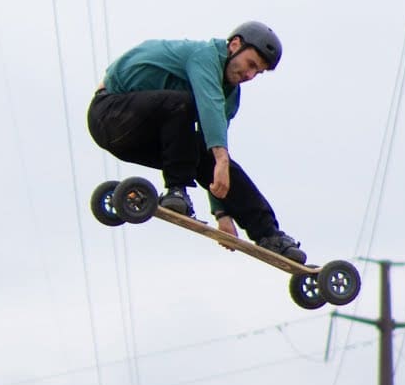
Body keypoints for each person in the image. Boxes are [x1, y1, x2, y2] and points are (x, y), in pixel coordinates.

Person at [87, 21, 307, 264]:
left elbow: (214, 145)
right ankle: (176, 190)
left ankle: (268, 234)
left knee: (209, 154)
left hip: (145, 134)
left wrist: (222, 212)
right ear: (235, 45)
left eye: (258, 73)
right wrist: (220, 158)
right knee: (184, 106)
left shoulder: (230, 94)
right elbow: (209, 106)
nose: (249, 75)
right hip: (109, 114)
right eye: (251, 64)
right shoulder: (204, 56)